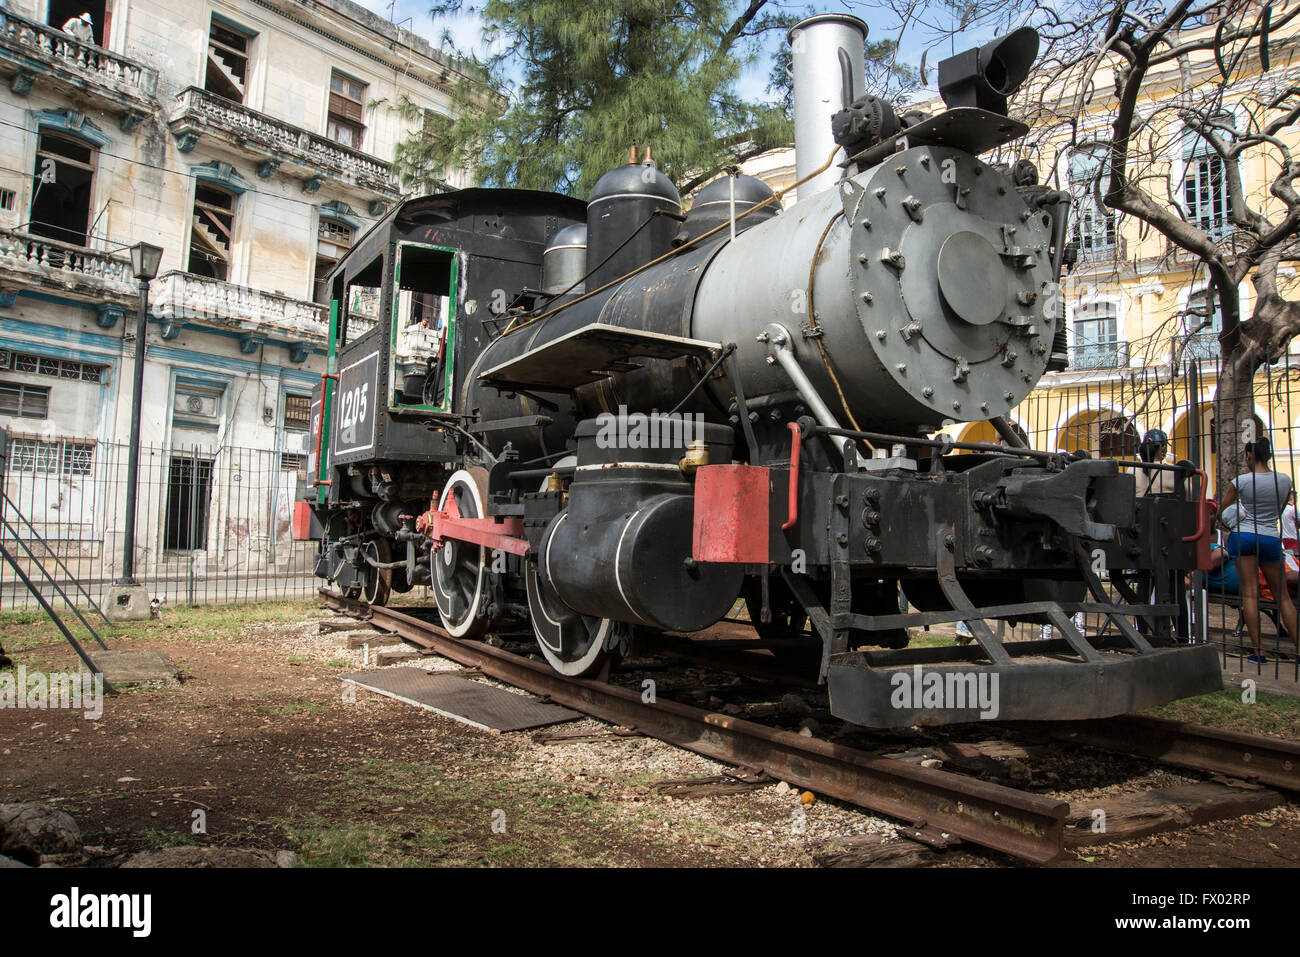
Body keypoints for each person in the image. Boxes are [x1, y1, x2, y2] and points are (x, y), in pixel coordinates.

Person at [1218, 437, 1298, 663]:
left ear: (1248, 456)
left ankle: (1259, 651)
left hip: (1243, 536)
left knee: (1250, 593)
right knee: (1282, 597)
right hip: (1271, 537)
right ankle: (1299, 649)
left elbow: (1222, 510)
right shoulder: (1284, 481)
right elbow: (1280, 510)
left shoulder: (1241, 481)